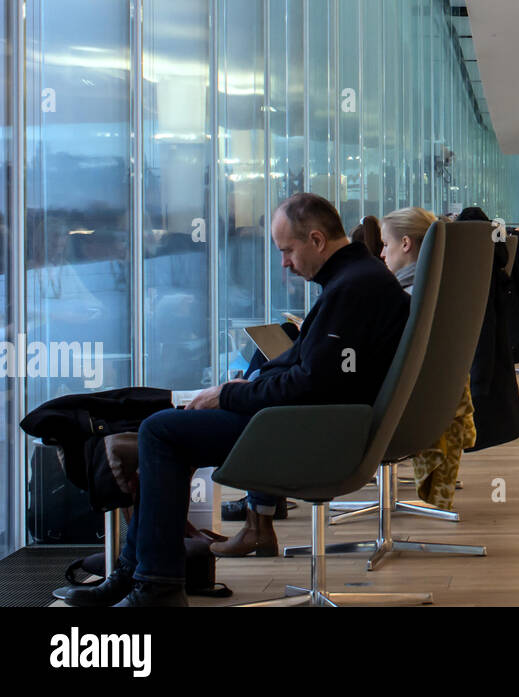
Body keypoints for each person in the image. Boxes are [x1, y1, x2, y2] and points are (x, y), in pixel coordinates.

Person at [66, 193, 410, 606]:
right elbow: (313, 370)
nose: (284, 262)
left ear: (317, 240)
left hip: (315, 432)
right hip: (321, 423)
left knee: (160, 433)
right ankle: (138, 574)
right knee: (168, 431)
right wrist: (248, 384)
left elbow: (313, 384)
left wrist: (231, 395)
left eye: (287, 250)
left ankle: (153, 585)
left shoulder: (352, 289)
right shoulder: (358, 278)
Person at [380, 205, 474, 509]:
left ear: (405, 244)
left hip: (404, 410)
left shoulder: (405, 298)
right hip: (438, 406)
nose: (382, 254)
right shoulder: (445, 286)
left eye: (385, 244)